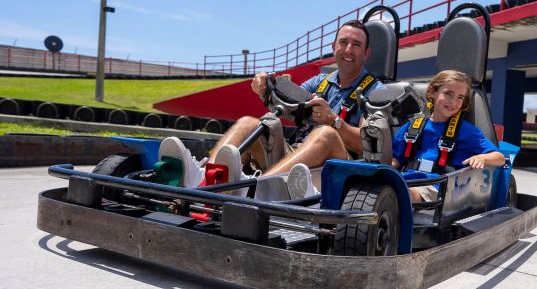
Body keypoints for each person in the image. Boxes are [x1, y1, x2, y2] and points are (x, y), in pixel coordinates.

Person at [158, 20, 386, 199]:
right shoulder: (320, 82)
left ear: (366, 54)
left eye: (356, 45)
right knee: (249, 123)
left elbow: (371, 146)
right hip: (295, 161)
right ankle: (205, 180)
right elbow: (288, 100)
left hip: (339, 169)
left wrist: (334, 121)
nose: (348, 50)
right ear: (333, 47)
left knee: (326, 134)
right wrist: (266, 87)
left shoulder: (375, 92)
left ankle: (258, 190)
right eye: (343, 42)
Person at [391, 70, 505, 203]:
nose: (453, 102)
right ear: (433, 92)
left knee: (402, 195)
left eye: (460, 97)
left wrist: (481, 158)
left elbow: (500, 158)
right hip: (405, 180)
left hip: (439, 188)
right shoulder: (412, 126)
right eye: (448, 94)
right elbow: (396, 159)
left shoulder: (466, 131)